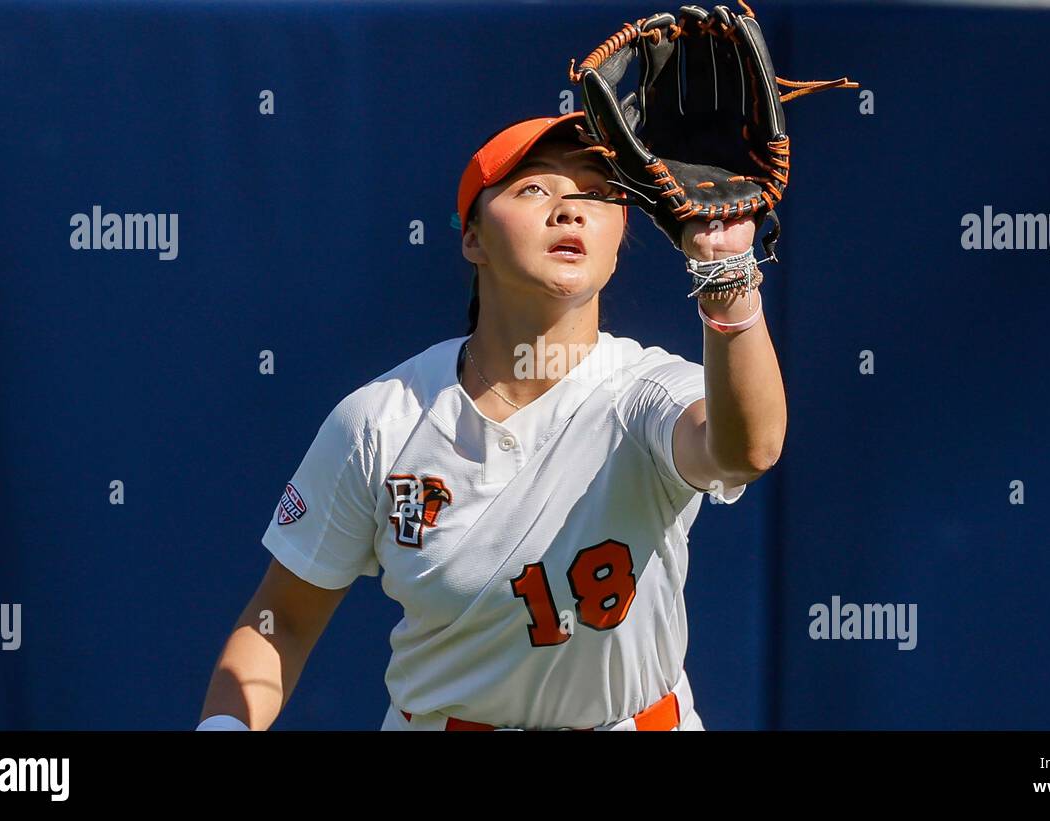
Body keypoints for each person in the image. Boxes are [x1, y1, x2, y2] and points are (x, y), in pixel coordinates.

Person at [197, 111, 786, 731]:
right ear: (472, 237)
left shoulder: (644, 392)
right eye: (533, 187)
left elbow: (746, 449)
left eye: (596, 190)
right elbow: (282, 616)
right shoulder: (382, 419)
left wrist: (729, 277)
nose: (569, 207)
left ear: (620, 238)